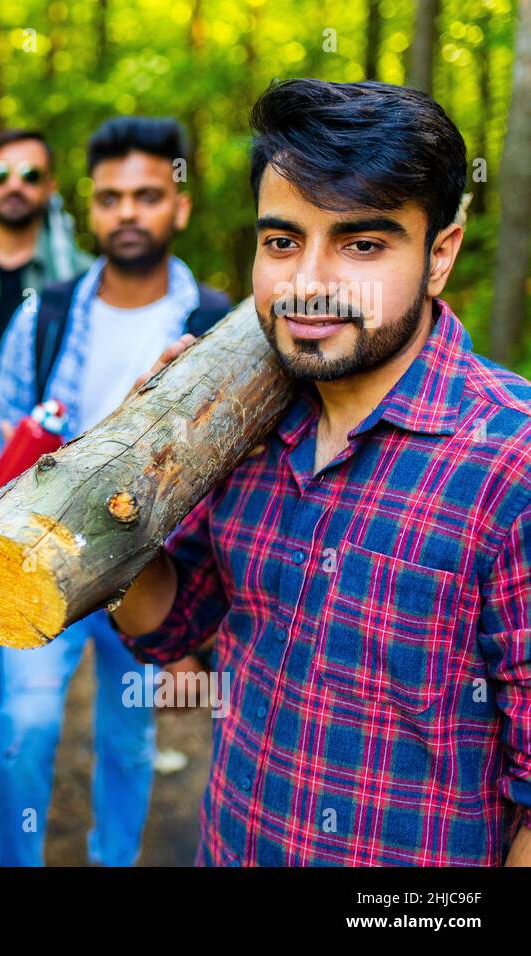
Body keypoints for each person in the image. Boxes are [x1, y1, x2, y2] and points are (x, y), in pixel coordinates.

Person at [113, 79, 531, 867]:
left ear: (439, 254)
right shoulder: (243, 425)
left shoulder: (511, 464)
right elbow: (166, 623)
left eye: (362, 245)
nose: (308, 281)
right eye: (281, 242)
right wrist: (140, 472)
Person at [0, 117, 232, 867]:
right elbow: (7, 427)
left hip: (150, 570)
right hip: (44, 557)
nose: (129, 212)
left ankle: (115, 858)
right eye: (113, 196)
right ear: (91, 208)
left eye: (148, 195)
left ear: (179, 206)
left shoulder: (215, 324)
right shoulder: (45, 313)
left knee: (131, 735)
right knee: (23, 725)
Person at [0, 129, 93, 381]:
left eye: (30, 175)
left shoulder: (81, 276)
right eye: (0, 174)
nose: (15, 185)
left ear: (50, 187)